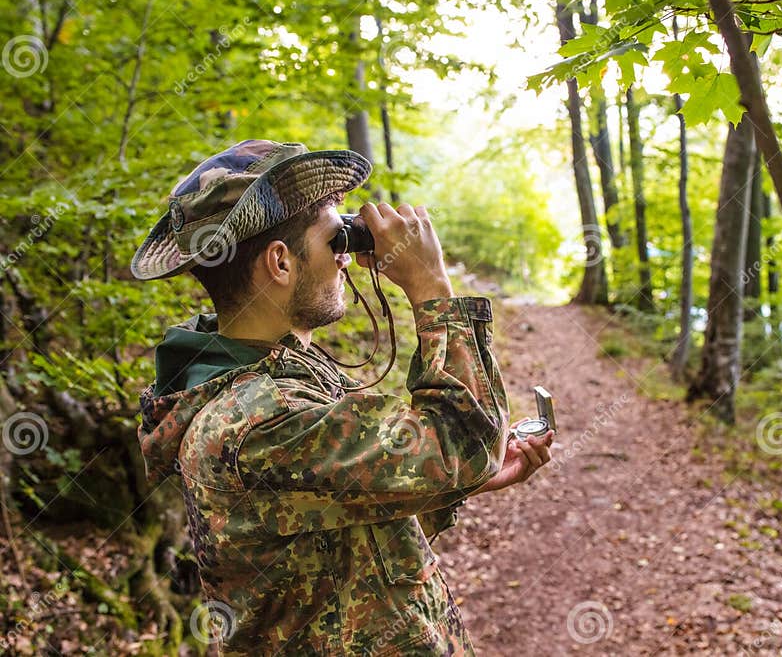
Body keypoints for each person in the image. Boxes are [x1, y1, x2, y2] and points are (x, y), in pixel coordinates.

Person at [129, 139, 554, 655]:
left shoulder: (278, 382)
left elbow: (343, 531)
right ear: (280, 263)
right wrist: (431, 285)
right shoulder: (259, 418)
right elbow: (462, 441)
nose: (347, 260)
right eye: (336, 241)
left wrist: (471, 477)